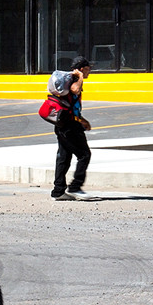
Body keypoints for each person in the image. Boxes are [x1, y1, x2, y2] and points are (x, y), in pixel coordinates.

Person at [48, 57, 92, 200]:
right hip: (70, 126)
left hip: (63, 123)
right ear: (82, 69)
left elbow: (71, 105)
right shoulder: (74, 79)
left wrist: (83, 120)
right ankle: (75, 187)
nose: (89, 72)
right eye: (88, 69)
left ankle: (58, 191)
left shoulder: (67, 80)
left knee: (64, 157)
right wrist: (80, 77)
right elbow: (75, 90)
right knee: (84, 155)